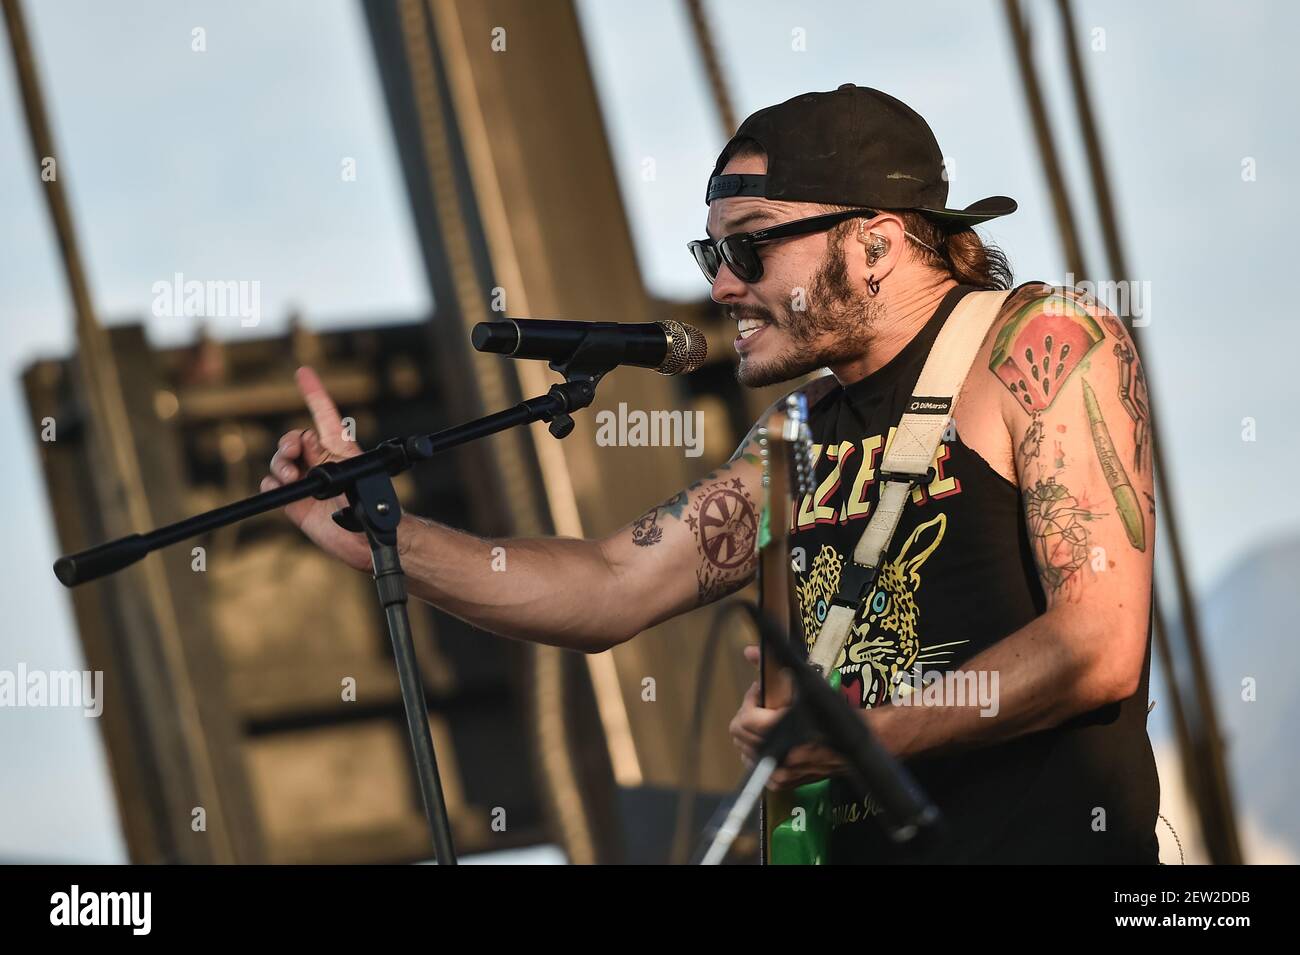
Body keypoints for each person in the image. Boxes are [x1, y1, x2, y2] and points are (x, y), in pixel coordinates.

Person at [262, 85, 1159, 863]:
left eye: (749, 247)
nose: (723, 287)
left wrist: (866, 739)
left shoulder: (1038, 341)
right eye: (711, 256)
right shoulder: (795, 434)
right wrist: (382, 530)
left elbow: (1099, 644)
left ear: (876, 243)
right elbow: (611, 585)